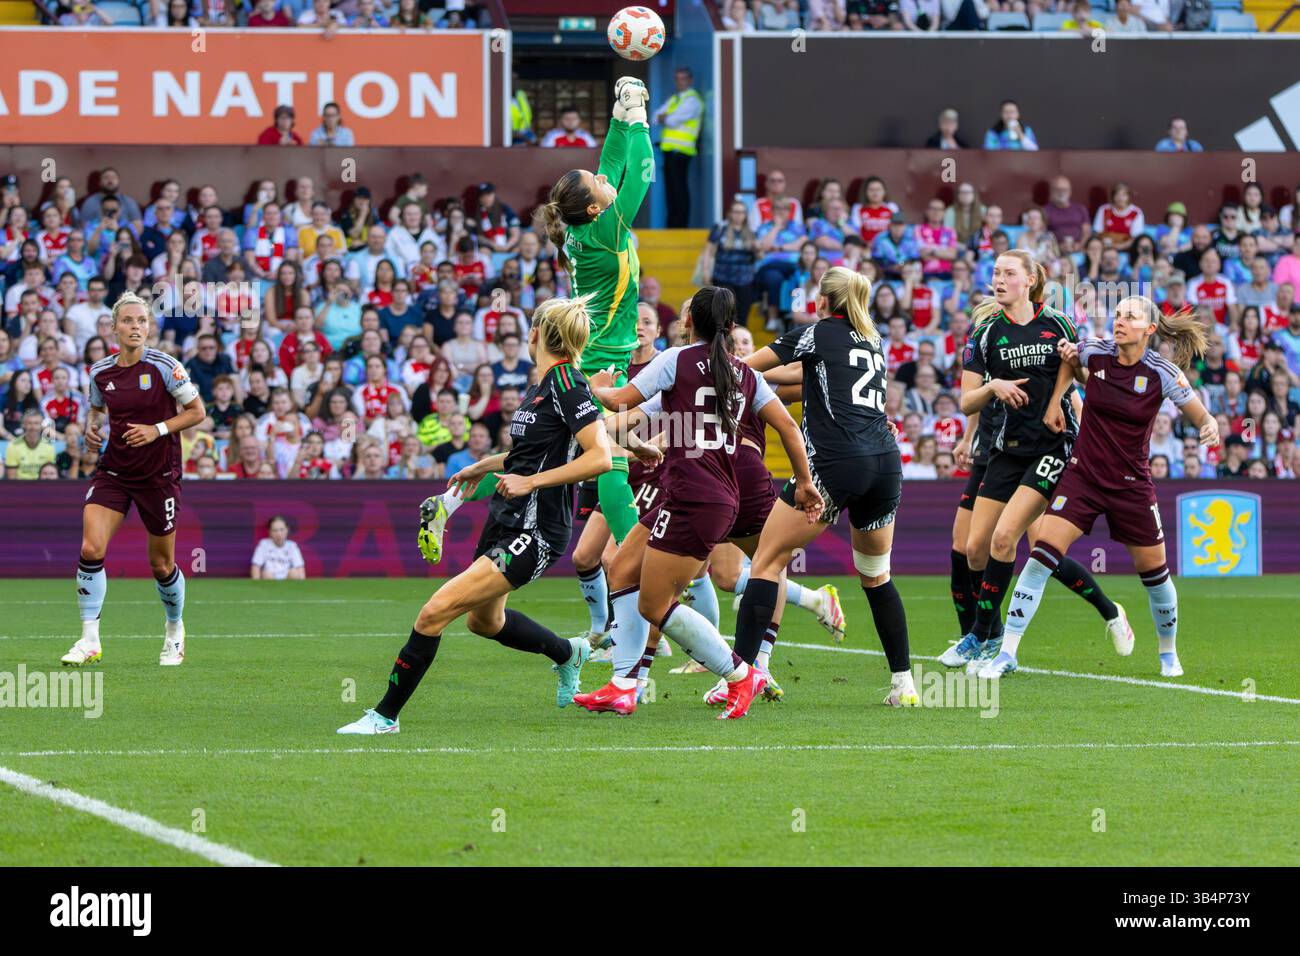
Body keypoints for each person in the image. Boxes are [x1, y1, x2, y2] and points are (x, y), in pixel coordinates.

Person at [337, 297, 613, 734]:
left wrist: (530, 483)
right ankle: (568, 652)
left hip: (537, 529)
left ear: (537, 333)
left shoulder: (566, 384)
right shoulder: (542, 384)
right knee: (484, 621)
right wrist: (484, 465)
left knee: (434, 612)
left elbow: (600, 457)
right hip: (508, 517)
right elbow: (530, 456)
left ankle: (384, 716)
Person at [422, 77, 653, 556]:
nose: (605, 181)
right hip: (602, 355)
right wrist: (639, 121)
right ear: (593, 206)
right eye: (598, 187)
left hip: (584, 350)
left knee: (552, 455)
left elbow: (610, 170)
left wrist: (617, 115)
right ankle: (638, 553)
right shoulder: (608, 230)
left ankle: (451, 499)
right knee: (607, 460)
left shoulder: (581, 225)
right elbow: (643, 174)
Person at [572, 286, 819, 719]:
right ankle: (623, 685)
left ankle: (740, 675)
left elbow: (617, 401)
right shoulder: (745, 373)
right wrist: (803, 482)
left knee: (653, 603)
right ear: (729, 326)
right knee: (624, 568)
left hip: (695, 497)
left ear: (688, 322)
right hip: (700, 492)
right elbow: (789, 428)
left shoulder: (676, 360)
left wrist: (597, 387)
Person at [980, 298, 1218, 679]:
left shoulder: (1161, 372)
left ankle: (1168, 654)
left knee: (1154, 574)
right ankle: (1007, 652)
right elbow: (1071, 364)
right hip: (1083, 476)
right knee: (1041, 556)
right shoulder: (1095, 351)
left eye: (1130, 317)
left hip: (1131, 485)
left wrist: (1210, 426)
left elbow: (1201, 414)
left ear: (1149, 330)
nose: (1120, 322)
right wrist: (1057, 399)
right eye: (1118, 314)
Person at [726, 266, 917, 707]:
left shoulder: (816, 333)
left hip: (836, 462)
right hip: (886, 464)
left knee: (766, 564)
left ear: (823, 301)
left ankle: (740, 676)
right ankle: (903, 683)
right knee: (876, 577)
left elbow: (746, 370)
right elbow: (805, 382)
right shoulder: (872, 340)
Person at [941, 250, 1128, 672]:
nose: (999, 279)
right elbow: (967, 399)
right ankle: (986, 636)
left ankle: (986, 639)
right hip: (1004, 451)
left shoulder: (1058, 323)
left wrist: (1068, 388)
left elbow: (1079, 376)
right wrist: (994, 388)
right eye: (995, 273)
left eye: (1008, 273)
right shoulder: (985, 335)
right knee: (974, 548)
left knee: (1008, 540)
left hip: (1052, 448)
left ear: (1030, 280)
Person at [60, 293, 206, 669]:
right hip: (114, 471)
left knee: (161, 565)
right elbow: (96, 407)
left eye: (142, 320)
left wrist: (157, 429)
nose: (136, 326)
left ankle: (175, 630)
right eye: (128, 320)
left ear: (149, 327)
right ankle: (89, 639)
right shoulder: (100, 372)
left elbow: (197, 412)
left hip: (159, 475)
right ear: (114, 327)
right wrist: (93, 428)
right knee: (91, 548)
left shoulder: (164, 366)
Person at [654, 67, 704, 228]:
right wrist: (665, 117)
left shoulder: (693, 100)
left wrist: (666, 117)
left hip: (682, 152)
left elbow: (671, 121)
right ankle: (672, 225)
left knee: (679, 190)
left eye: (683, 78)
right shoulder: (675, 99)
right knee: (671, 191)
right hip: (670, 151)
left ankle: (680, 225)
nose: (680, 82)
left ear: (690, 80)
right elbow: (656, 117)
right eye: (677, 78)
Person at [250, 516, 307, 580]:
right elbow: (256, 567)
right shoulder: (264, 544)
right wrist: (256, 584)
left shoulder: (292, 546)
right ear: (269, 532)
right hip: (270, 580)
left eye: (281, 529)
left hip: (287, 581)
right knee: (266, 574)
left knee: (294, 573)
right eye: (275, 530)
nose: (279, 533)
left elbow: (300, 568)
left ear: (287, 530)